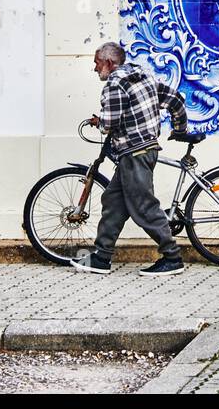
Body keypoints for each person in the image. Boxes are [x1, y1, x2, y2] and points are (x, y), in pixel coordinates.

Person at [69, 42, 191, 276]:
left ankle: (172, 257)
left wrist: (99, 121)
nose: (95, 69)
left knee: (144, 207)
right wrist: (179, 129)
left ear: (108, 62)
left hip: (135, 152)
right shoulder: (142, 75)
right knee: (114, 202)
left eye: (96, 63)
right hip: (141, 150)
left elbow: (110, 123)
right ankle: (102, 257)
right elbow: (175, 99)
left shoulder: (114, 84)